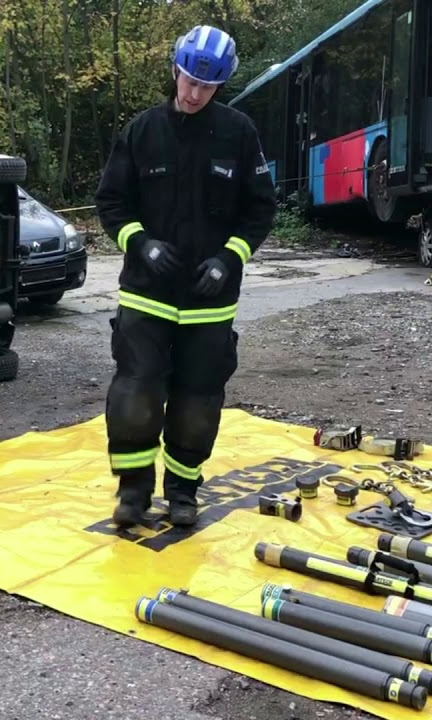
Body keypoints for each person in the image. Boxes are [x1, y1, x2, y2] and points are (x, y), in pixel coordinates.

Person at [93, 24, 278, 528]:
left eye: (207, 86)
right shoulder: (141, 131)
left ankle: (182, 493)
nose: (194, 94)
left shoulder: (240, 134)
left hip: (210, 302)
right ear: (175, 71)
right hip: (147, 297)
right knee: (136, 393)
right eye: (188, 81)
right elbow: (111, 202)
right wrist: (141, 243)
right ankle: (133, 494)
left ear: (221, 86)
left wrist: (229, 259)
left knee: (198, 400)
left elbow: (261, 211)